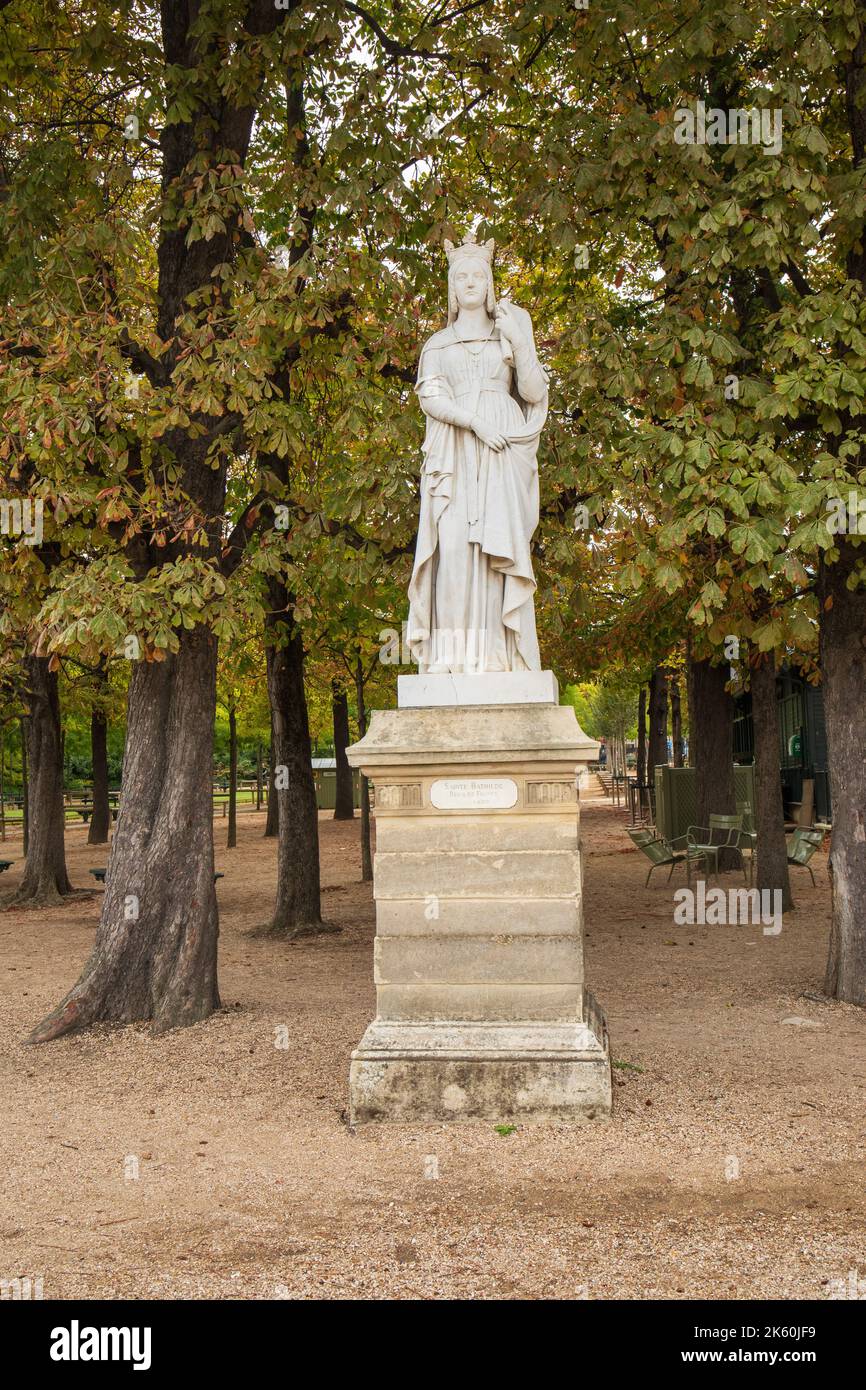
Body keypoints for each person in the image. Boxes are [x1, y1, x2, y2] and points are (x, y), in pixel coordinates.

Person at [407, 235, 548, 673]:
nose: (469, 282)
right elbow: (430, 397)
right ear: (452, 288)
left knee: (494, 553)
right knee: (452, 548)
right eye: (461, 276)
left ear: (489, 285)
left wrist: (520, 341)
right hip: (455, 450)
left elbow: (533, 392)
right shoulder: (437, 344)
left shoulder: (508, 332)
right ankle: (452, 656)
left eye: (478, 275)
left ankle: (499, 656)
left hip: (503, 450)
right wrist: (474, 422)